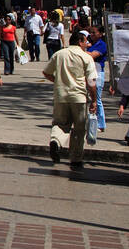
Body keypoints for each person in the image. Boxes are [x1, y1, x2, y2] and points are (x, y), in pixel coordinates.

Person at [42, 30, 98, 171]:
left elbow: (46, 72)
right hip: (78, 96)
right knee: (79, 129)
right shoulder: (86, 57)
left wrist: (57, 82)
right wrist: (94, 100)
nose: (87, 44)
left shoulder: (59, 54)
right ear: (80, 41)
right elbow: (91, 81)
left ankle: (56, 141)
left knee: (60, 123)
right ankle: (76, 159)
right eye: (86, 41)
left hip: (61, 95)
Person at [84, 28, 109, 145]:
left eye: (94, 33)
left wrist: (81, 51)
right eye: (91, 33)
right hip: (90, 72)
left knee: (97, 98)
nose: (92, 35)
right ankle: (91, 121)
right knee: (89, 97)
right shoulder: (90, 44)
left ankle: (101, 124)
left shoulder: (102, 45)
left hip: (98, 73)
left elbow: (92, 56)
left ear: (100, 34)